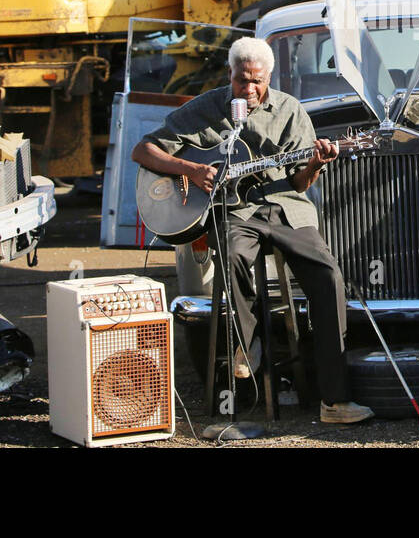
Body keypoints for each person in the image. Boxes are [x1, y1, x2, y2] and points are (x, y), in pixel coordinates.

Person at [131, 37, 375, 425]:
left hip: (285, 207)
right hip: (236, 211)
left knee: (328, 276)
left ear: (269, 78)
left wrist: (315, 163)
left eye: (256, 81)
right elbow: (143, 151)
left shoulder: (290, 111)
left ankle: (335, 400)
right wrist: (192, 170)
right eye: (241, 80)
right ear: (229, 75)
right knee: (229, 255)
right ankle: (248, 346)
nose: (248, 89)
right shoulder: (206, 108)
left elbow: (299, 184)